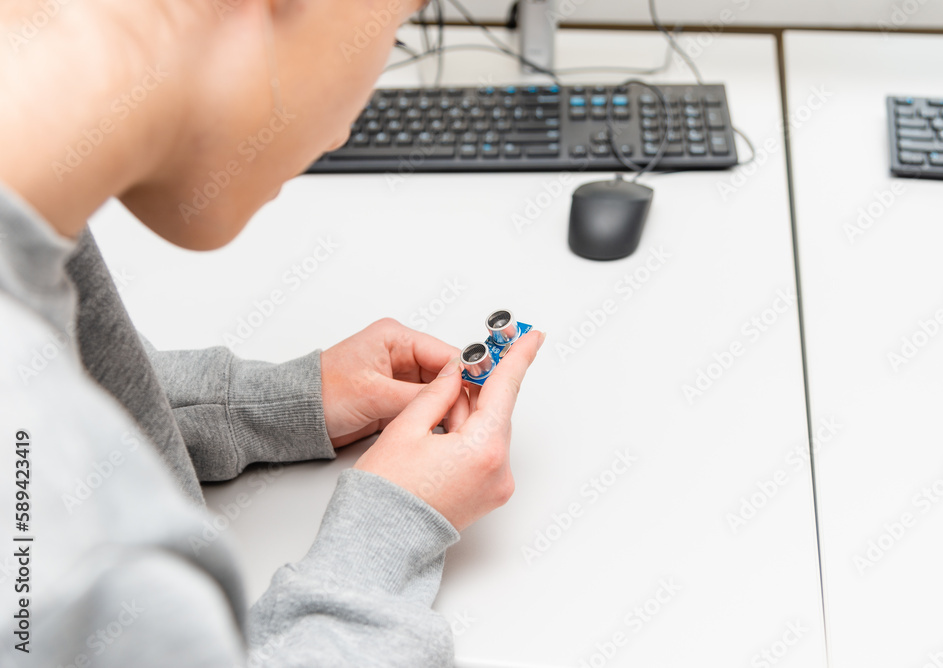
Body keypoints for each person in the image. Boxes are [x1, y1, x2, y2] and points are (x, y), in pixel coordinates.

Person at [0, 0, 543, 665]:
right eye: (399, 28)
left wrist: (279, 401)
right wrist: (387, 533)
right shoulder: (66, 550)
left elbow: (59, 387)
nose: (345, 129)